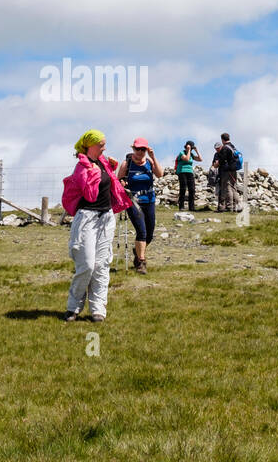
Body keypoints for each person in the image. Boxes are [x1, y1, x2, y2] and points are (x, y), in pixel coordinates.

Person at [62, 129, 130, 322]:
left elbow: (110, 183)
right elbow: (90, 192)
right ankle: (73, 306)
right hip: (87, 218)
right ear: (90, 145)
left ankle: (98, 308)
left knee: (102, 264)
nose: (104, 147)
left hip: (106, 217)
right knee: (87, 265)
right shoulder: (82, 167)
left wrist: (110, 168)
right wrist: (94, 173)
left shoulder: (103, 163)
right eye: (101, 144)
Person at [120, 137, 164, 273]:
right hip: (133, 201)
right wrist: (122, 183)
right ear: (133, 149)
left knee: (149, 234)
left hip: (149, 200)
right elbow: (118, 179)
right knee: (142, 232)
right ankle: (141, 262)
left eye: (143, 149)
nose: (140, 152)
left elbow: (160, 174)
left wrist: (153, 156)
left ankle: (138, 250)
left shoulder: (150, 162)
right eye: (137, 149)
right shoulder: (127, 163)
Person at [212, 132, 240, 212]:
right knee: (233, 187)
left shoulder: (225, 148)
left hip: (227, 170)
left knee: (228, 188)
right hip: (234, 170)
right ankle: (237, 206)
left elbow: (222, 159)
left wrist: (217, 163)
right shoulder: (233, 146)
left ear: (222, 140)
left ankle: (229, 207)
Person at [174, 141, 202, 211]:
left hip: (190, 172)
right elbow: (186, 159)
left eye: (192, 148)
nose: (191, 149)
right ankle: (181, 206)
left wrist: (197, 151)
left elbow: (200, 159)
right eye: (191, 148)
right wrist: (188, 150)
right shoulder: (182, 153)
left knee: (192, 189)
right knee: (183, 189)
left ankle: (191, 207)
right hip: (182, 172)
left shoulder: (191, 154)